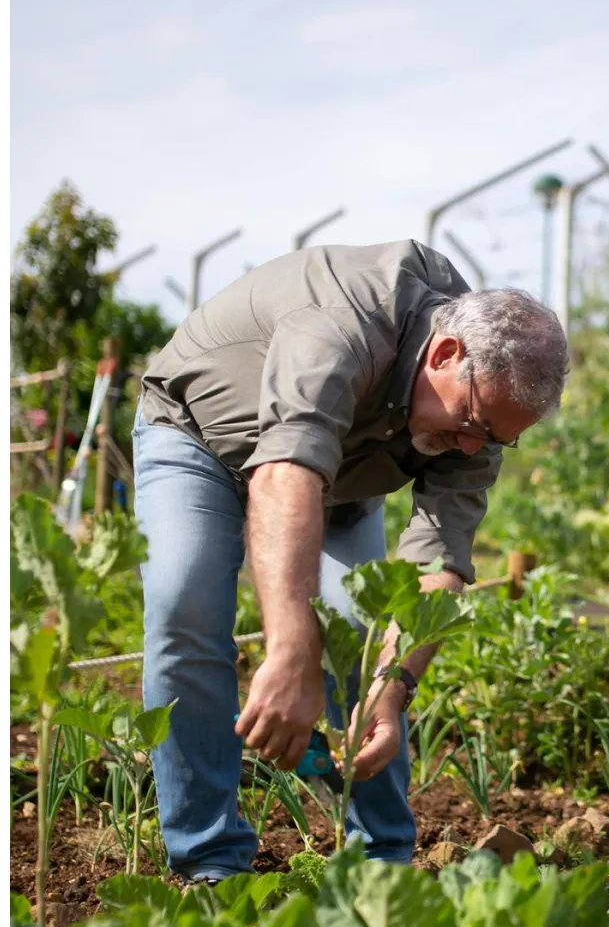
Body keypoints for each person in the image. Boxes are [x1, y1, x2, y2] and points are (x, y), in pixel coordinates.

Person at [135, 240, 568, 881]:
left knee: (364, 633)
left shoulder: (478, 422)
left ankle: (381, 865)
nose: (475, 445)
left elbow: (438, 566)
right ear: (444, 355)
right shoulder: (343, 321)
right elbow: (284, 475)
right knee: (185, 603)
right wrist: (291, 652)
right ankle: (211, 865)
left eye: (496, 437)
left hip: (340, 477)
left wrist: (390, 697)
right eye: (473, 420)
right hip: (200, 435)